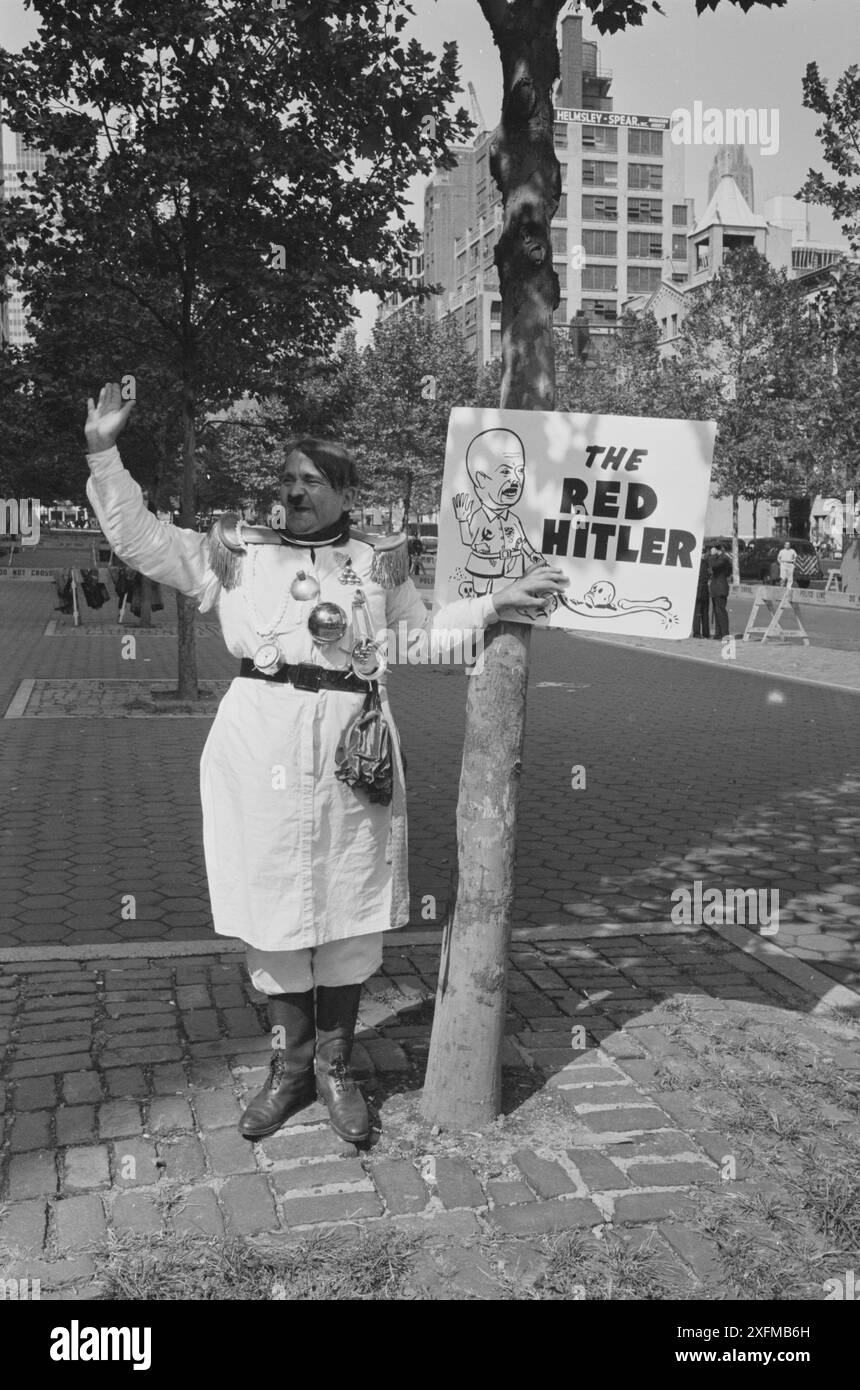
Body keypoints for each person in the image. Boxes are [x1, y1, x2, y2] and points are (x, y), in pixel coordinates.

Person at [83, 383, 569, 1145]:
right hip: (259, 745)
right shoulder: (236, 553)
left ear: (345, 492)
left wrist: (499, 602)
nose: (293, 489)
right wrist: (103, 451)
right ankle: (289, 1070)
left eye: (311, 479)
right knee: (274, 908)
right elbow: (141, 540)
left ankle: (338, 1071)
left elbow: (426, 637)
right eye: (287, 477)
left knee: (349, 904)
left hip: (355, 753)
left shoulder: (377, 563)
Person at [707, 544, 732, 639]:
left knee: (721, 611)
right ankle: (718, 633)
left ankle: (725, 633)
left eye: (712, 549)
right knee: (717, 612)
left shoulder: (724, 558)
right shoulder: (719, 558)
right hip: (715, 588)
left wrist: (713, 555)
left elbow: (714, 565)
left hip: (720, 588)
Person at [692, 551, 710, 638]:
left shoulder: (704, 563)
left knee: (702, 612)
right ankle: (699, 632)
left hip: (702, 589)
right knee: (700, 613)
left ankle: (703, 632)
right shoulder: (703, 564)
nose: (704, 555)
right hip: (701, 589)